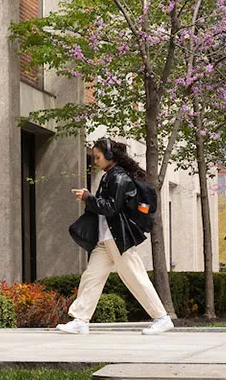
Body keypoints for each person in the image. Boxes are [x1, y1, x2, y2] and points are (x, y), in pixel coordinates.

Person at [58, 138, 175, 335]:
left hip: (118, 238)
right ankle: (80, 319)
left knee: (134, 277)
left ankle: (162, 318)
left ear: (110, 156)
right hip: (106, 239)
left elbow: (110, 207)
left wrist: (88, 198)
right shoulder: (109, 176)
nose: (95, 161)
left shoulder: (119, 178)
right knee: (91, 277)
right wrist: (90, 197)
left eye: (97, 157)